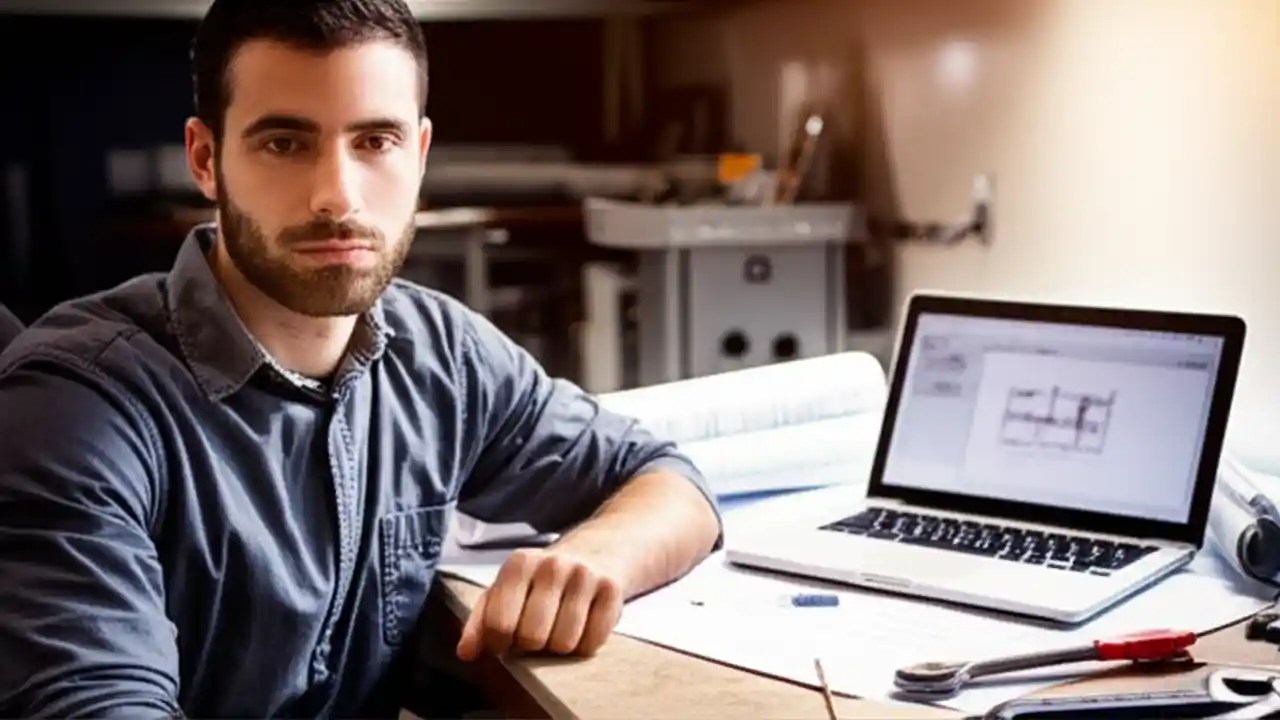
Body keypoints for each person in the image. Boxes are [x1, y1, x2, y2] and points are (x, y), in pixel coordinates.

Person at [0, 1, 722, 717]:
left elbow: (667, 480)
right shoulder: (75, 408)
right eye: (285, 143)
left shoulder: (440, 354)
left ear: (420, 153)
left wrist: (598, 559)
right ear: (205, 159)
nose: (337, 196)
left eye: (375, 141)